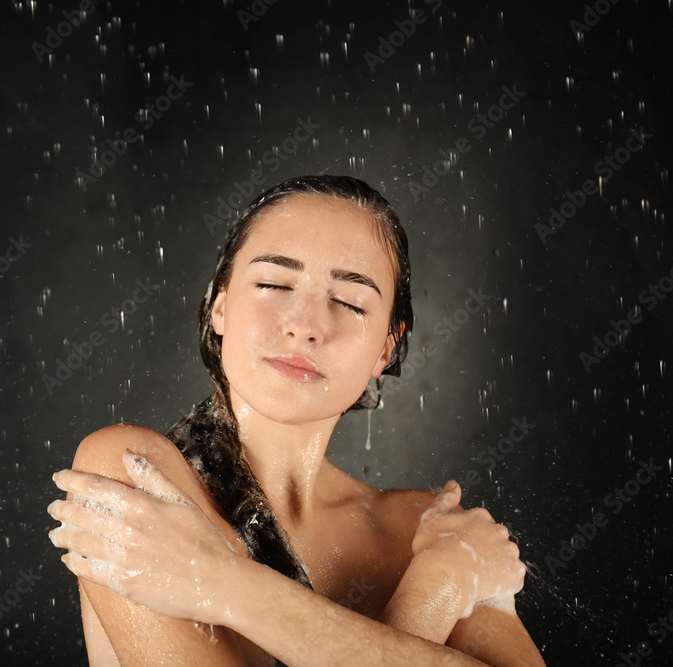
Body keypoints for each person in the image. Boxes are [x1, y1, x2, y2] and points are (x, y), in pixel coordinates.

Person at [48, 175, 544, 665]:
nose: (305, 326)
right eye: (272, 283)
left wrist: (225, 583)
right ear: (220, 306)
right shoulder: (130, 470)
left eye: (349, 302)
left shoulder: (426, 527)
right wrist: (437, 588)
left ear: (386, 348)